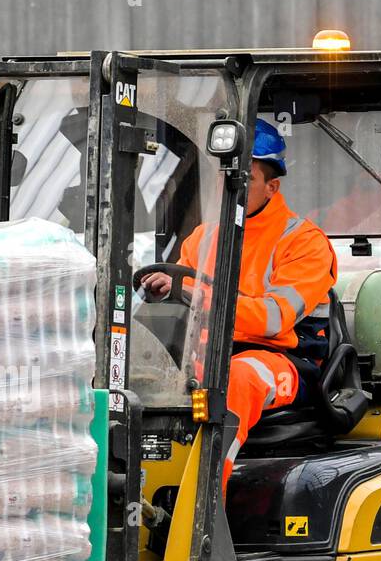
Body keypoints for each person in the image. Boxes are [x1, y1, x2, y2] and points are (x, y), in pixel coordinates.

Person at [142, 118, 337, 491]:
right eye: (223, 175)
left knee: (234, 380)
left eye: (242, 177)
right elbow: (181, 295)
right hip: (212, 354)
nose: (228, 184)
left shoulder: (304, 242)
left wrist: (194, 293)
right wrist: (160, 291)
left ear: (271, 186)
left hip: (281, 361)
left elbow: (273, 318)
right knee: (140, 375)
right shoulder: (204, 237)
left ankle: (205, 506)